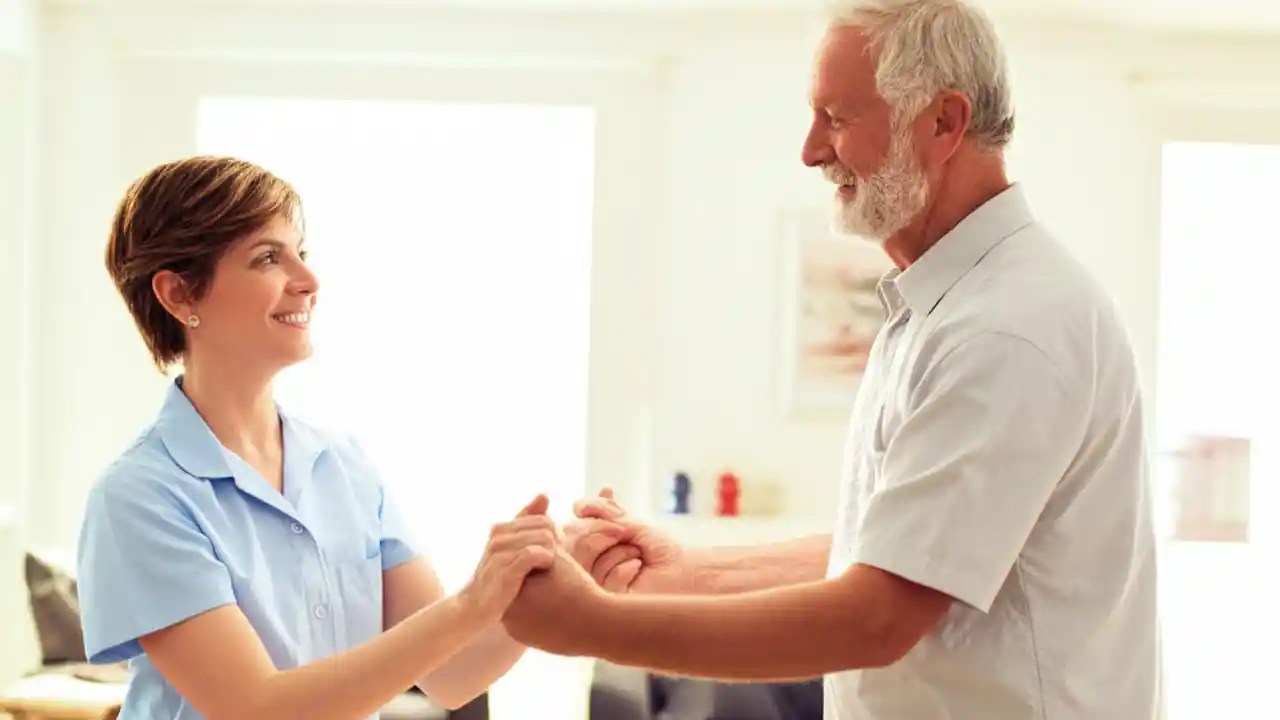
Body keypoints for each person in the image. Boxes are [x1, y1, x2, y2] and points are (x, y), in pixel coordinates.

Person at [510, 1, 1161, 718]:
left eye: (837, 118)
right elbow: (895, 551)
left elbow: (875, 616)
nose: (810, 150)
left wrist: (587, 627)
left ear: (943, 122)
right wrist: (689, 571)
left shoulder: (1006, 328)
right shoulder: (945, 307)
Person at [76, 156, 635, 719]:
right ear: (179, 295)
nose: (308, 280)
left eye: (302, 252)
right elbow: (258, 709)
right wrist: (472, 600)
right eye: (268, 257)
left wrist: (552, 572)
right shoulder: (139, 497)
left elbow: (452, 674)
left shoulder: (341, 466)